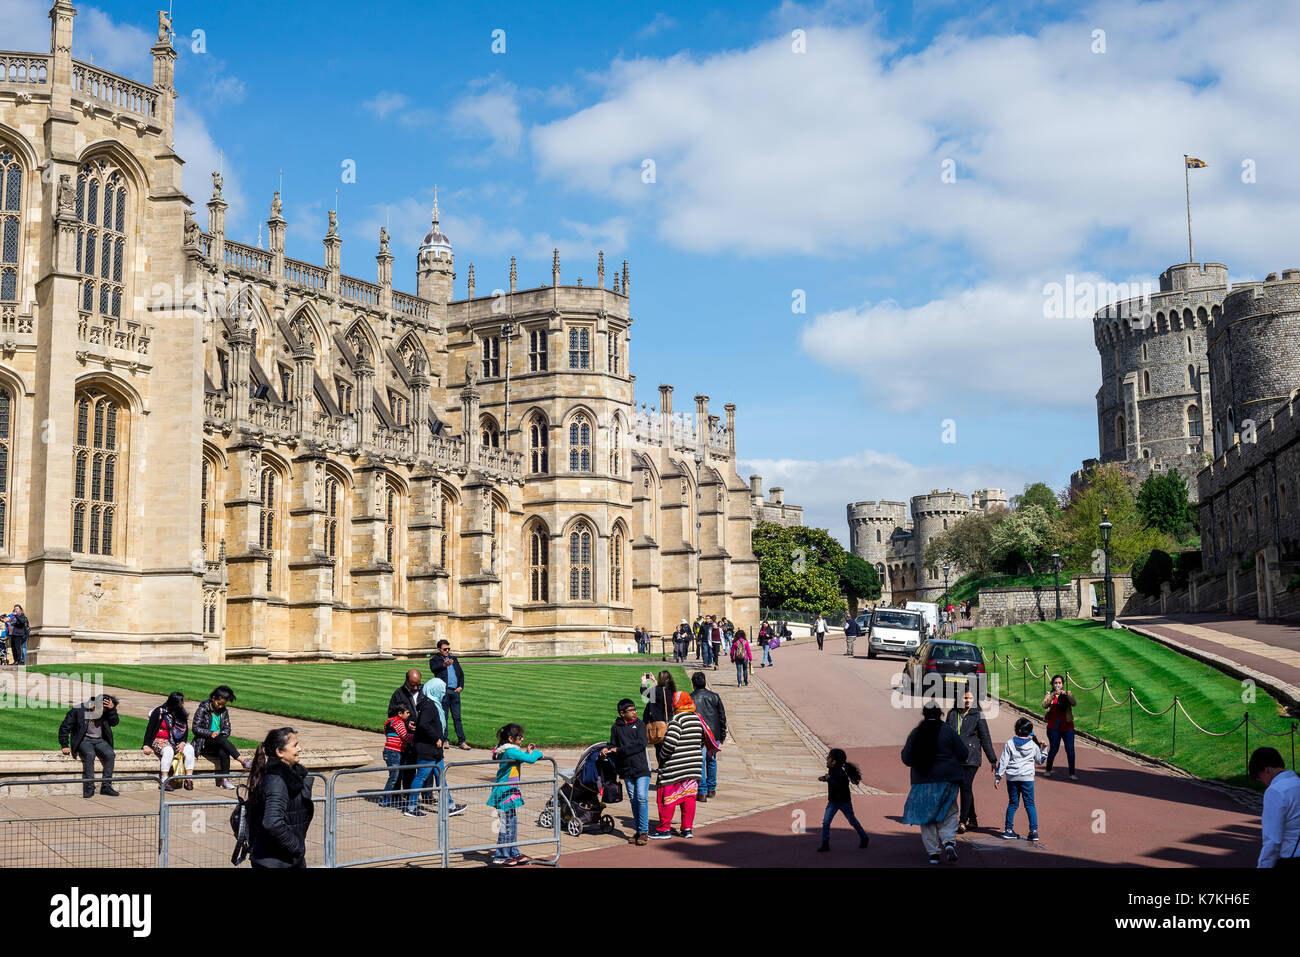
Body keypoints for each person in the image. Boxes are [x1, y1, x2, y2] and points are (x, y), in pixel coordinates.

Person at [900, 702, 967, 864]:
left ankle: (933, 853)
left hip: (924, 780)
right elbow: (963, 753)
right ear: (940, 714)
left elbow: (906, 758)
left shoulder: (916, 733)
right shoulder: (948, 731)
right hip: (948, 778)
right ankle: (949, 841)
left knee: (927, 817)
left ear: (924, 714)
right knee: (950, 812)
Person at [247, 727, 314, 868]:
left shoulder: (290, 777)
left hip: (287, 859)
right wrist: (296, 846)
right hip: (274, 861)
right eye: (295, 745)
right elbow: (272, 822)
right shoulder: (276, 781)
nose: (299, 749)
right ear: (279, 752)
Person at [648, 692, 705, 840]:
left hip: (676, 766)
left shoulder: (677, 719)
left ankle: (664, 829)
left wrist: (662, 757)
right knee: (689, 797)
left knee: (667, 796)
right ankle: (687, 829)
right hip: (693, 765)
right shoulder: (697, 718)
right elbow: (702, 740)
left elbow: (671, 742)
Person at [487, 723, 545, 864]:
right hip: (504, 792)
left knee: (512, 823)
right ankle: (501, 855)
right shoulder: (510, 751)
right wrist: (538, 754)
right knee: (507, 824)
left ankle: (513, 852)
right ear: (510, 739)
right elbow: (530, 760)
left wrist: (526, 753)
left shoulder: (509, 750)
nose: (522, 739)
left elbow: (522, 758)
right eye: (519, 737)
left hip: (510, 792)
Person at [946, 689, 997, 833]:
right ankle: (973, 819)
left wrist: (992, 759)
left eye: (970, 698)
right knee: (964, 787)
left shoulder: (978, 715)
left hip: (971, 757)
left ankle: (962, 821)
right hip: (955, 757)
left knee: (965, 786)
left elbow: (985, 738)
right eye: (965, 698)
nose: (967, 701)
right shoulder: (952, 714)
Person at [605, 699, 652, 845]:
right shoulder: (616, 727)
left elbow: (640, 744)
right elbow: (613, 744)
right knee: (633, 800)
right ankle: (638, 830)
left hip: (642, 768)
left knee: (642, 797)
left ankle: (644, 832)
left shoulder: (640, 724)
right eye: (631, 710)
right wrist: (607, 750)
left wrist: (620, 750)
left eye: (634, 709)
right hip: (626, 769)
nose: (634, 712)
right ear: (622, 713)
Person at [993, 717, 1048, 841]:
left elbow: (1003, 761)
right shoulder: (1033, 745)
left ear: (1017, 730)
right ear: (1029, 731)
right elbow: (1040, 761)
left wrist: (998, 777)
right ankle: (1033, 831)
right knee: (1030, 804)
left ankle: (1008, 829)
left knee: (1013, 803)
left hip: (1012, 777)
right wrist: (1044, 749)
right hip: (1027, 777)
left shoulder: (1009, 743)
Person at [58, 693, 120, 798]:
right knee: (89, 754)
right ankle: (90, 786)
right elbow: (64, 727)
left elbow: (114, 722)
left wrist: (112, 710)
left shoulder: (106, 712)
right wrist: (64, 744)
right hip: (84, 740)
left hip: (100, 740)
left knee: (110, 754)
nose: (102, 712)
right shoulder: (78, 710)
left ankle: (106, 786)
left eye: (105, 710)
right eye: (102, 709)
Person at [192, 685, 251, 789]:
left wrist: (221, 734)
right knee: (222, 741)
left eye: (223, 705)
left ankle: (224, 780)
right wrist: (210, 733)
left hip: (219, 740)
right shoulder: (202, 709)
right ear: (213, 698)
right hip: (205, 741)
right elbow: (195, 728)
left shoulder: (224, 711)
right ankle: (243, 761)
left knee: (224, 752)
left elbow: (227, 729)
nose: (220, 706)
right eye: (218, 704)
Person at [1250, 747, 1300, 867]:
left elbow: (1272, 840)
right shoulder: (1297, 783)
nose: (1261, 781)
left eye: (1258, 776)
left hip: (1290, 856)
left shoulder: (1275, 791)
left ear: (1267, 769)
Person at [405, 680, 446, 818]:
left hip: (435, 750)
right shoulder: (429, 705)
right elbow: (424, 724)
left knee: (441, 777)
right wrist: (436, 738)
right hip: (428, 749)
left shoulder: (431, 704)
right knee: (421, 776)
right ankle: (411, 807)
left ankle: (449, 805)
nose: (444, 693)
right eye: (441, 690)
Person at [816, 748, 870, 852]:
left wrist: (828, 779)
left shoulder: (841, 774)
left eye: (828, 758)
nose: (826, 760)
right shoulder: (832, 770)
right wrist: (824, 778)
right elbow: (831, 779)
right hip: (833, 801)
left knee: (851, 820)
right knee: (826, 822)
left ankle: (864, 837)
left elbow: (838, 786)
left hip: (843, 802)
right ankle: (825, 843)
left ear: (834, 762)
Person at [142, 691, 195, 790]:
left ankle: (188, 779)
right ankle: (164, 780)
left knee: (190, 749)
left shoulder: (181, 713)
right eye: (182, 702)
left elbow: (185, 730)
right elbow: (150, 729)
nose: (184, 704)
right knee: (168, 750)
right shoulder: (160, 711)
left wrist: (183, 742)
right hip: (160, 739)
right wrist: (146, 745)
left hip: (177, 740)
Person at [387, 670, 426, 798]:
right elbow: (392, 715)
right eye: (413, 684)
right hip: (403, 739)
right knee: (399, 770)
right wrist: (406, 723)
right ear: (406, 681)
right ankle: (395, 796)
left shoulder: (423, 691)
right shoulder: (398, 694)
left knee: (415, 768)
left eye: (418, 684)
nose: (416, 687)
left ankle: (415, 795)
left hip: (419, 737)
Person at [691, 672, 726, 802]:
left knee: (700, 762)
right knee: (711, 761)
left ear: (693, 683)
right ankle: (711, 789)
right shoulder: (714, 696)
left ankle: (702, 791)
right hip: (713, 733)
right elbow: (722, 717)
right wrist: (722, 733)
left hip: (698, 734)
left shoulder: (691, 698)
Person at [430, 640, 471, 750]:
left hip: (455, 692)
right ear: (439, 650)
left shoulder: (454, 659)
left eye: (448, 649)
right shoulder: (435, 660)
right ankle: (445, 740)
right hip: (444, 692)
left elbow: (461, 674)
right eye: (445, 649)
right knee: (444, 717)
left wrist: (461, 686)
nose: (447, 651)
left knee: (457, 717)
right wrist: (444, 665)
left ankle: (461, 741)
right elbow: (434, 669)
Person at [1043, 675, 1077, 779]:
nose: (1058, 685)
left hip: (1067, 727)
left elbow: (1074, 703)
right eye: (1055, 683)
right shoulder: (1049, 694)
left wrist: (1066, 695)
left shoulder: (1067, 693)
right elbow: (1044, 704)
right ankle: (1048, 769)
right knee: (1054, 749)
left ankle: (1072, 773)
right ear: (1052, 685)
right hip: (1054, 727)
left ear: (1063, 684)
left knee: (1070, 750)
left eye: (1059, 683)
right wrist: (1053, 695)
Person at [381, 704, 412, 808]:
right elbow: (405, 737)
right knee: (393, 778)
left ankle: (389, 798)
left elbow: (387, 734)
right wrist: (417, 735)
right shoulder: (399, 722)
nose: (409, 715)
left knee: (394, 776)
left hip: (388, 751)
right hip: (394, 752)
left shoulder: (389, 722)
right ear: (400, 713)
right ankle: (385, 799)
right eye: (407, 713)